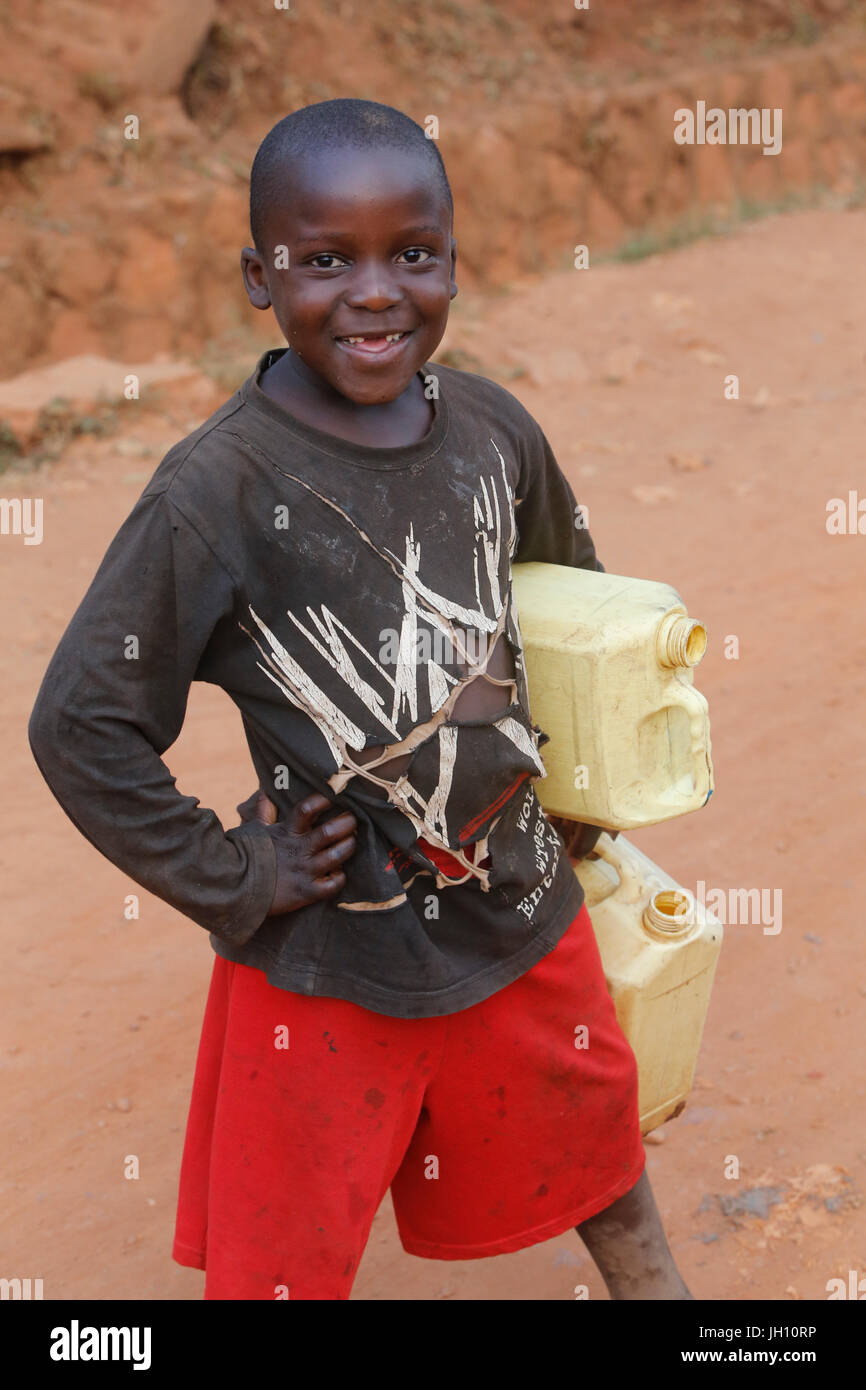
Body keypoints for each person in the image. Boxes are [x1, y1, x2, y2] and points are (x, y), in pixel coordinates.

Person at [28, 99, 692, 1301]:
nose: (377, 291)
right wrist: (235, 877)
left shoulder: (493, 428)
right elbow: (81, 723)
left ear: (451, 260)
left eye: (413, 254)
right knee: (282, 1240)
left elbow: (573, 616)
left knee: (591, 1126)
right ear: (257, 274)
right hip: (331, 946)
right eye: (326, 260)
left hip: (514, 897)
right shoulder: (215, 491)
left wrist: (583, 795)